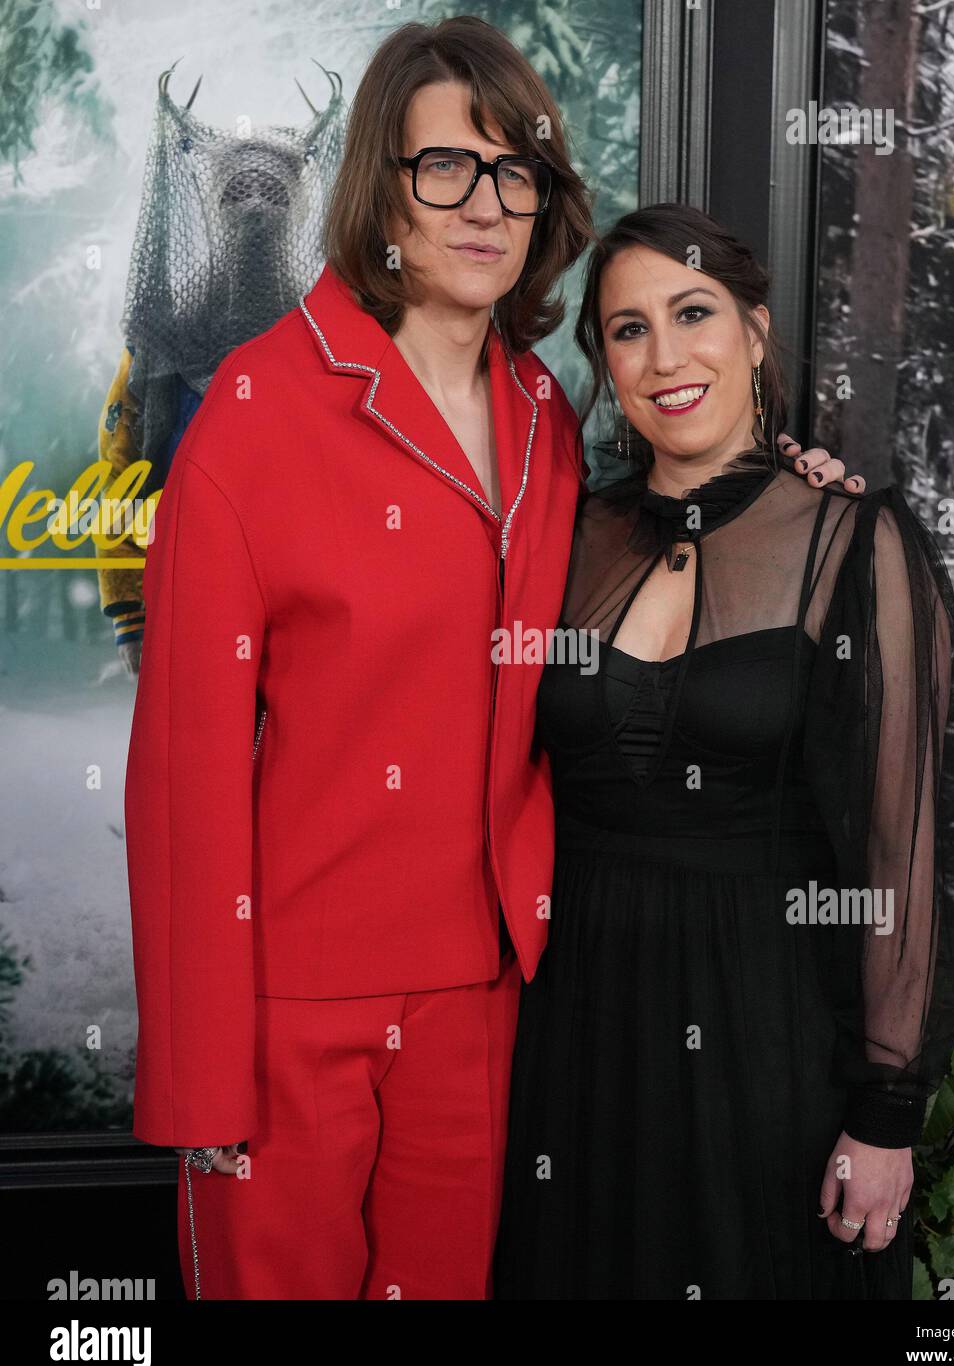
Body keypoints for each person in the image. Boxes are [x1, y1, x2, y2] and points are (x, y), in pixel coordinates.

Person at [124, 18, 858, 1301]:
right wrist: (197, 1072)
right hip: (288, 1009)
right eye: (444, 169)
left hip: (483, 1003)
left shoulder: (544, 423)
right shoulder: (254, 411)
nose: (484, 203)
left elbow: (671, 529)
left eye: (513, 171)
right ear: (381, 194)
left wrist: (788, 485)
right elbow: (180, 767)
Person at [493, 204, 954, 1300]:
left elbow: (900, 846)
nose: (664, 357)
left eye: (692, 312)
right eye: (626, 329)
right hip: (573, 1037)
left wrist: (883, 1110)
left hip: (767, 1038)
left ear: (754, 329)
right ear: (603, 363)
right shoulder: (560, 534)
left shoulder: (854, 541)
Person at [97, 63, 345, 671]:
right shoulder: (165, 342)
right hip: (188, 602)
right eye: (238, 192)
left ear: (296, 211)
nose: (256, 207)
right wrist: (131, 612)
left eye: (273, 193)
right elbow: (120, 471)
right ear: (212, 211)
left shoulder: (332, 342)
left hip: (303, 619)